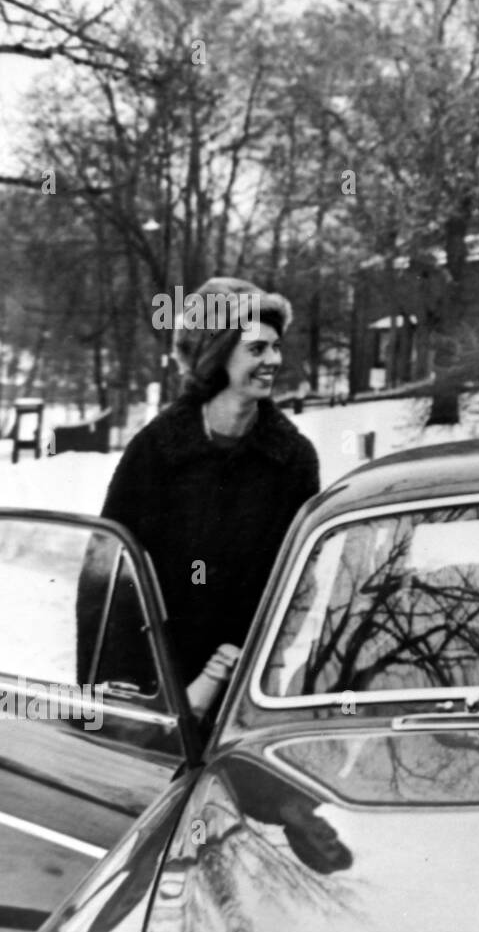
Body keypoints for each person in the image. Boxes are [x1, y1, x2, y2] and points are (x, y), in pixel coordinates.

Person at [100, 277, 320, 720]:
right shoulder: (155, 452)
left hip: (249, 691)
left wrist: (222, 671)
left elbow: (298, 585)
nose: (273, 360)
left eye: (276, 347)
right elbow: (109, 579)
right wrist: (132, 702)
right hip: (149, 692)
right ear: (217, 355)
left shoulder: (292, 460)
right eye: (257, 349)